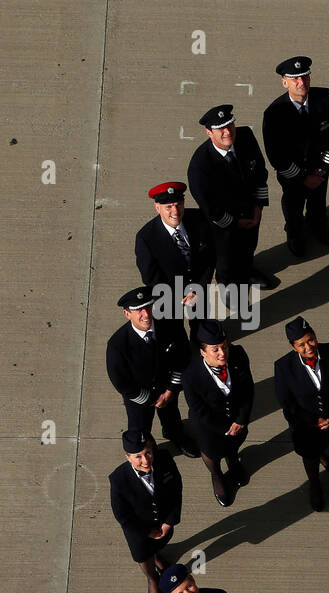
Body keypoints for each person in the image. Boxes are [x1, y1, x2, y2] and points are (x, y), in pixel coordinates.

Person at [186, 104, 275, 292]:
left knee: (249, 246)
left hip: (251, 212)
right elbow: (210, 208)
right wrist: (235, 223)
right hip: (223, 223)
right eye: (220, 129)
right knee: (225, 257)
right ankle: (228, 286)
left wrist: (258, 208)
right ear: (209, 133)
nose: (228, 132)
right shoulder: (200, 166)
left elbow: (260, 172)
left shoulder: (246, 137)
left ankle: (247, 271)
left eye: (230, 125)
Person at [262, 56, 329, 254]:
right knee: (293, 205)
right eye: (295, 78)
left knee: (318, 200)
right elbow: (275, 155)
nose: (301, 82)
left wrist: (321, 172)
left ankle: (317, 224)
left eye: (305, 77)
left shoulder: (324, 98)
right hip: (293, 174)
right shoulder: (274, 113)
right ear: (284, 82)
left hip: (319, 168)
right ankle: (295, 233)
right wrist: (303, 178)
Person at [105, 285, 197, 456]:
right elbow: (121, 382)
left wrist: (170, 390)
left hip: (168, 387)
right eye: (138, 310)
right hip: (139, 397)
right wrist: (151, 399)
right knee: (139, 426)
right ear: (127, 314)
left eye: (148, 307)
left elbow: (183, 358)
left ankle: (174, 433)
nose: (145, 315)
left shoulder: (171, 326)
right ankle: (145, 447)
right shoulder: (117, 345)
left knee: (171, 415)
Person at [273, 316, 329, 511]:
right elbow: (287, 403)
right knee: (309, 454)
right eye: (301, 344)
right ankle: (314, 483)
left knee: (323, 442)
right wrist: (311, 421)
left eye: (311, 340)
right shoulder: (283, 367)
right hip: (304, 424)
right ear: (293, 347)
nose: (308, 347)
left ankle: (322, 454)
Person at [181, 320, 254, 507]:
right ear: (203, 352)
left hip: (236, 420)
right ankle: (217, 476)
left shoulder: (238, 355)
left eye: (224, 347)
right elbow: (198, 409)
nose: (223, 353)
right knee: (212, 455)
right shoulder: (191, 375)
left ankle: (233, 461)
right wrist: (226, 428)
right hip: (209, 427)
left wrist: (241, 419)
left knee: (234, 445)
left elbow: (248, 390)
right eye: (215, 350)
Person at [109, 430, 183, 593]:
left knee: (159, 545)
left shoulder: (164, 459)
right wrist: (147, 532)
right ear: (128, 457)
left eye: (148, 453)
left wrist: (169, 521)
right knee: (143, 556)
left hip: (162, 523)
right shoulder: (118, 479)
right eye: (138, 456)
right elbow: (122, 516)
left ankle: (157, 556)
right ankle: (152, 579)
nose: (145, 460)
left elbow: (176, 490)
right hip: (138, 532)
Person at [133, 181, 214, 329]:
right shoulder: (146, 238)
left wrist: (199, 289)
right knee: (174, 332)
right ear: (157, 208)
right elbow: (150, 277)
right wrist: (178, 298)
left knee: (203, 327)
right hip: (168, 296)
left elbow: (209, 258)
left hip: (199, 289)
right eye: (168, 207)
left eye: (178, 205)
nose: (175, 211)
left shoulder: (199, 220)